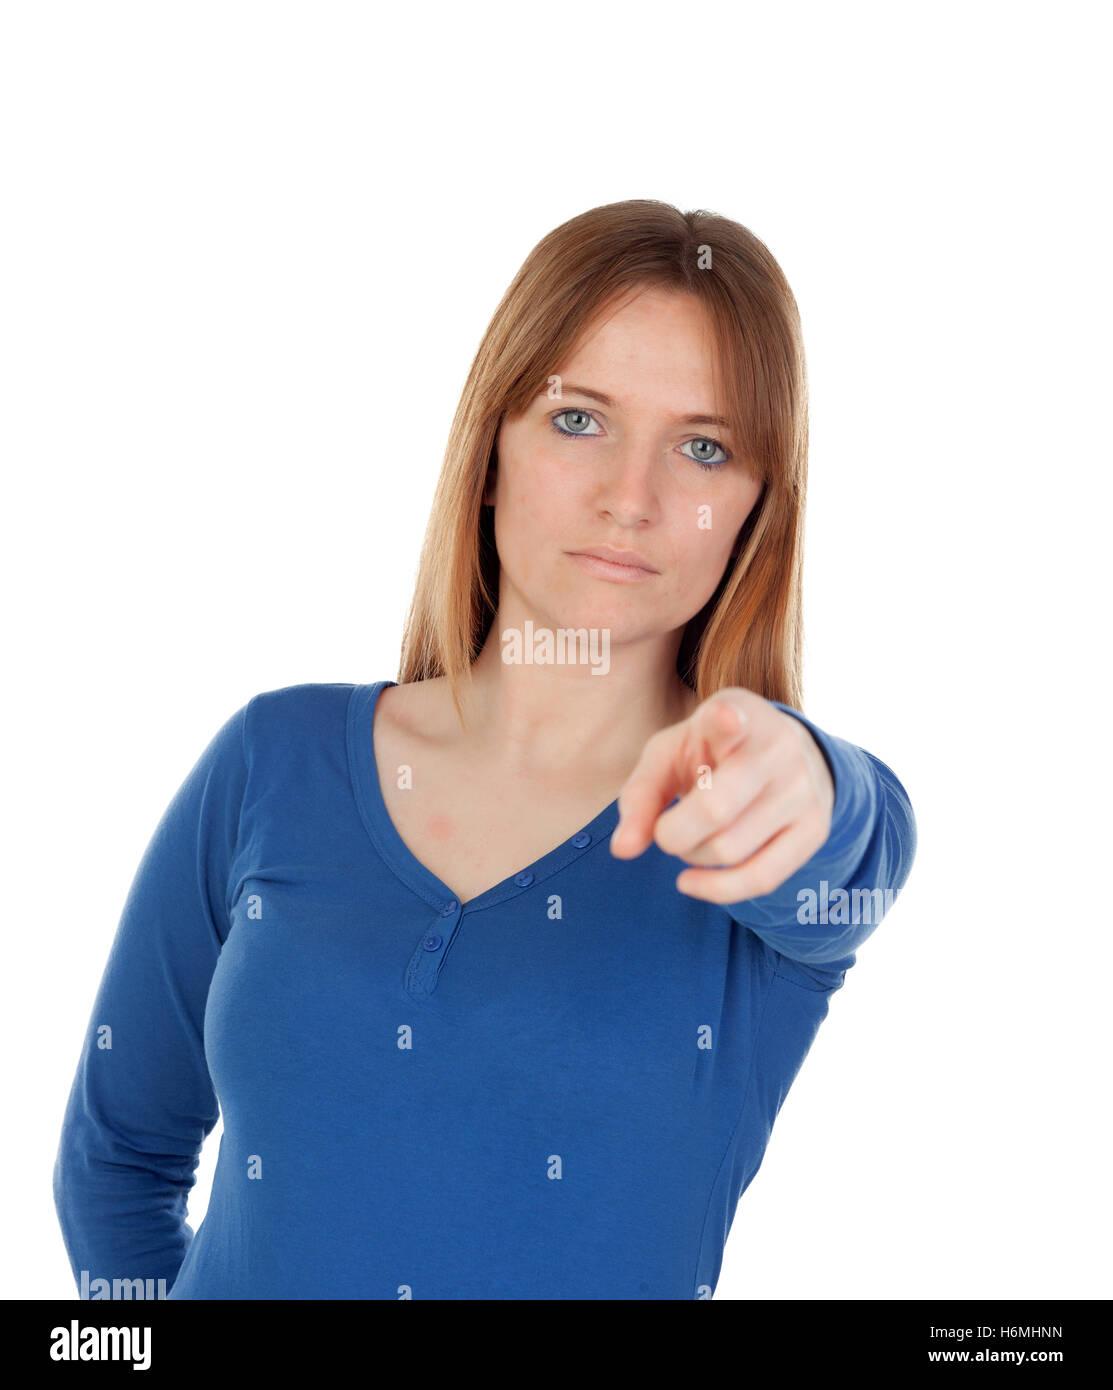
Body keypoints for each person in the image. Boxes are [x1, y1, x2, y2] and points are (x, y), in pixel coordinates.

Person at [53, 198, 916, 1301]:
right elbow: (117, 1160)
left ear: (757, 506)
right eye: (579, 419)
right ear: (493, 448)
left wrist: (812, 775)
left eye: (704, 447)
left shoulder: (753, 844)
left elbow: (866, 837)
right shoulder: (275, 760)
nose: (630, 498)